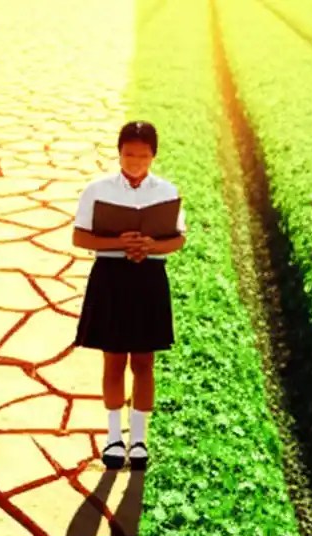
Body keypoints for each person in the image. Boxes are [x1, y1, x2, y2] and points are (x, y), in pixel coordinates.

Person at [71, 121, 187, 472]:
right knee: (113, 362)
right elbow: (81, 238)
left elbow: (178, 239)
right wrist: (122, 243)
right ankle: (112, 437)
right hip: (110, 279)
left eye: (143, 155)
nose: (135, 162)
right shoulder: (97, 190)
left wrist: (152, 245)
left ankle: (138, 439)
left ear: (154, 155)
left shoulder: (166, 191)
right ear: (119, 152)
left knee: (143, 363)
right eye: (129, 154)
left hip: (148, 278)